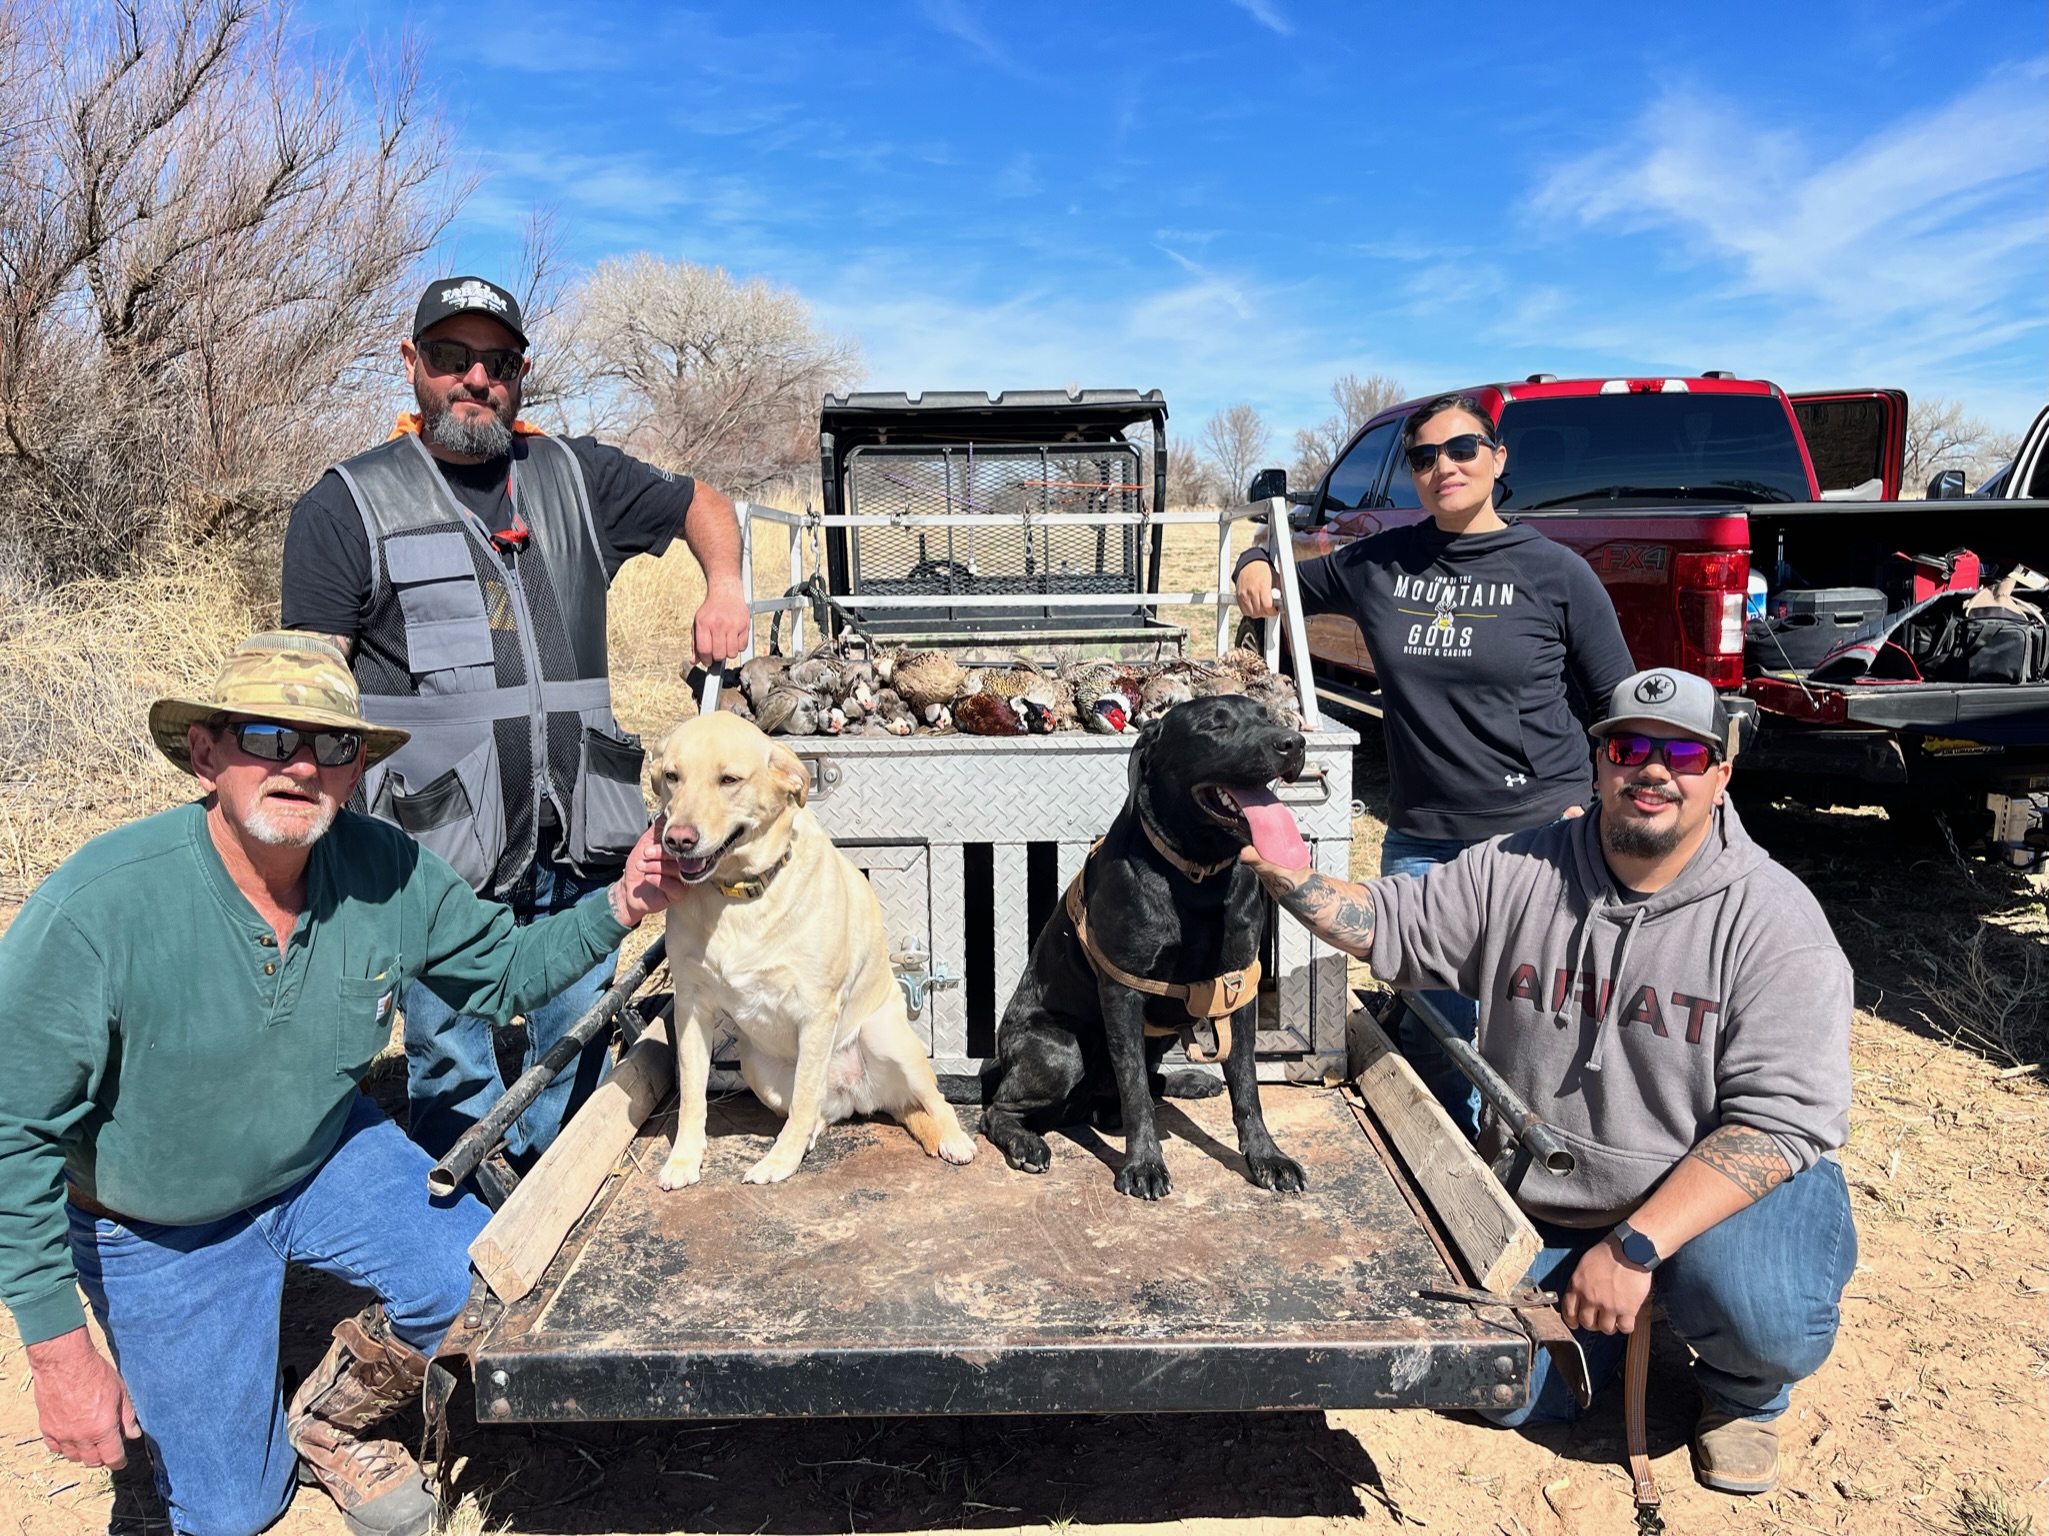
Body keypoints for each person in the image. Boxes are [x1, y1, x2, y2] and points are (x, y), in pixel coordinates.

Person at [0, 633, 685, 1536]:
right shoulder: (102, 905)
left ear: (356, 769)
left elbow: (506, 974)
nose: (301, 766)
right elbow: (11, 1129)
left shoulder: (383, 868)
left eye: (332, 745)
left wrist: (625, 902)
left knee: (479, 1287)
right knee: (231, 1513)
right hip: (158, 1221)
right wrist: (58, 1356)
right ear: (205, 754)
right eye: (267, 736)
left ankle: (327, 1418)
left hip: (323, 1154)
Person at [1242, 666, 1856, 1496]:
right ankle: (1621, 1314)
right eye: (1628, 748)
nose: (1652, 771)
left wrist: (1636, 1246)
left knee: (1759, 1310)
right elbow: (1387, 920)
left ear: (1720, 773)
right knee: (1504, 1395)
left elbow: (1780, 1123)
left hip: (1717, 1192)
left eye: (1681, 754)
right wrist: (1281, 868)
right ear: (1598, 762)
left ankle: (1744, 1392)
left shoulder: (1774, 922)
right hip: (1560, 1201)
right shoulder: (1516, 868)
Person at [281, 275, 749, 1170]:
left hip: (579, 837)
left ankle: (551, 1193)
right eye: (450, 356)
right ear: (411, 362)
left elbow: (703, 502)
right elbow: (308, 687)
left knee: (576, 1037)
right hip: (436, 846)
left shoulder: (575, 476)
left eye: (497, 362)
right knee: (450, 1058)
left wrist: (723, 586)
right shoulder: (348, 503)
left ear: (520, 374)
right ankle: (457, 1222)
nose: (475, 379)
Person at [1235, 393, 1635, 1136]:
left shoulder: (1556, 573)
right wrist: (1255, 558)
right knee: (1434, 1033)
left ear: (1497, 459)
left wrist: (1603, 809)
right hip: (1423, 839)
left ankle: (1534, 1172)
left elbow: (1618, 700)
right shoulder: (1381, 562)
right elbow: (1287, 575)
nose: (1442, 466)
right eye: (1423, 457)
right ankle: (1458, 1177)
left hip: (1540, 836)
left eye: (1461, 449)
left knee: (1534, 1029)